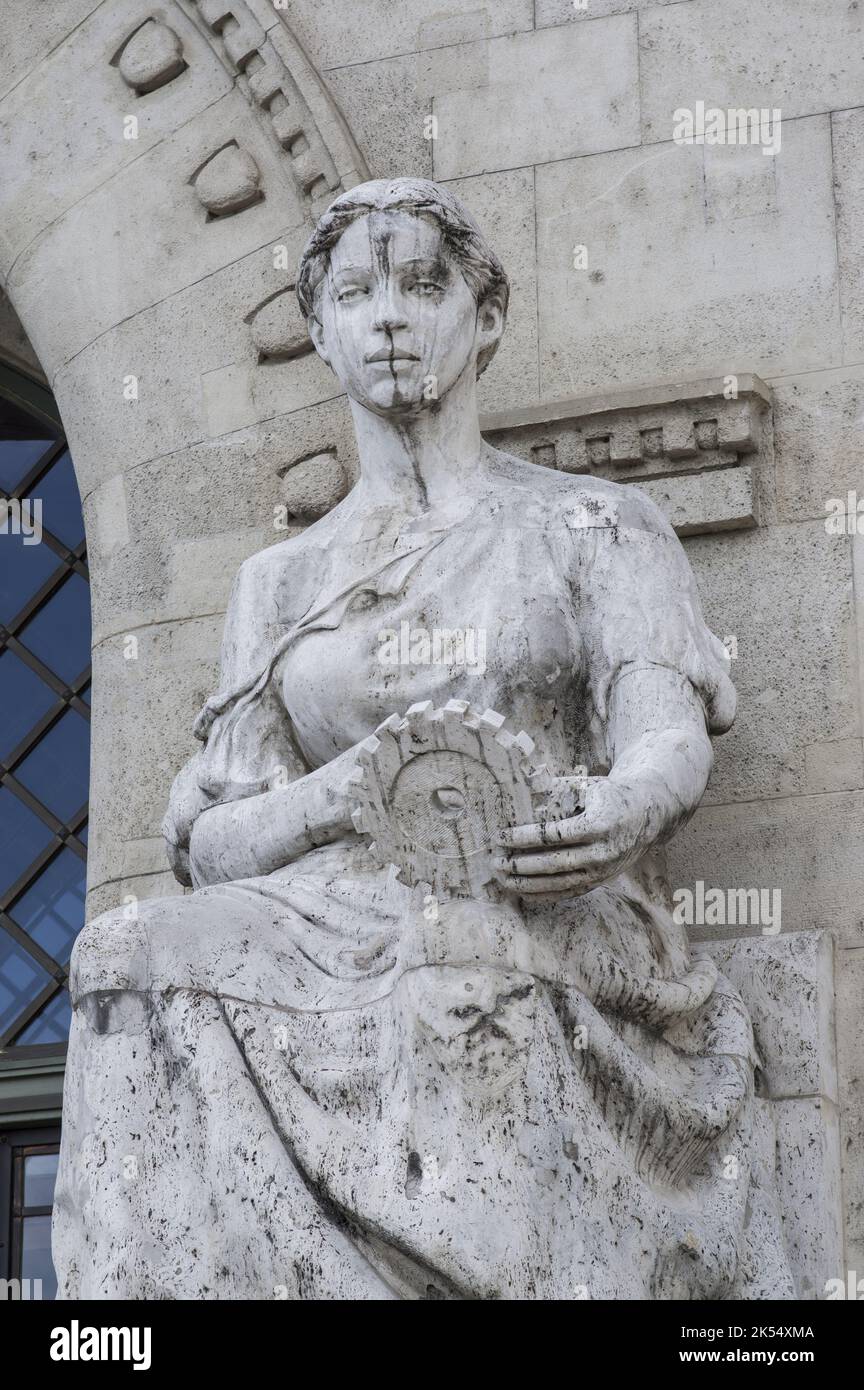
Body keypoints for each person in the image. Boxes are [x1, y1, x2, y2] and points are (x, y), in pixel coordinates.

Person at [54, 178, 793, 1300]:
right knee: (118, 954)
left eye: (422, 284)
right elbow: (213, 844)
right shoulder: (281, 582)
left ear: (483, 316)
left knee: (452, 952)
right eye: (356, 292)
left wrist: (619, 813)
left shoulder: (590, 525)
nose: (389, 315)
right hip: (323, 910)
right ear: (321, 330)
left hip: (542, 895)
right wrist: (347, 791)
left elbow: (666, 740)